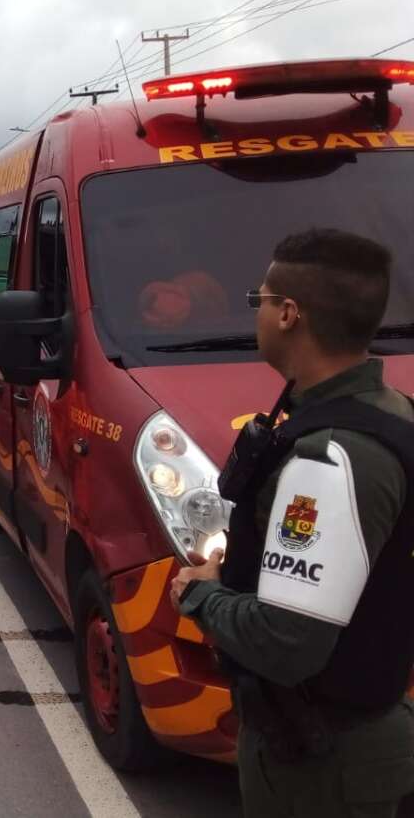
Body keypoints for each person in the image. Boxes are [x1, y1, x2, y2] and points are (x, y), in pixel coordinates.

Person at [170, 229, 414, 817]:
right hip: (340, 739)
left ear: (288, 314)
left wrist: (200, 594)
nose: (256, 313)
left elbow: (287, 643)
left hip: (321, 763)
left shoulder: (327, 457)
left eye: (260, 300)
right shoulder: (384, 409)